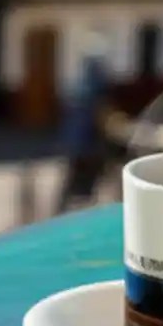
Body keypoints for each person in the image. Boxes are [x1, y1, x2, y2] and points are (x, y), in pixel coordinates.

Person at [55, 42, 112, 213]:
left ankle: (63, 212)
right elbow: (101, 115)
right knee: (83, 182)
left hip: (77, 143)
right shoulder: (94, 89)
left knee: (72, 182)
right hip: (88, 144)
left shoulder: (77, 88)